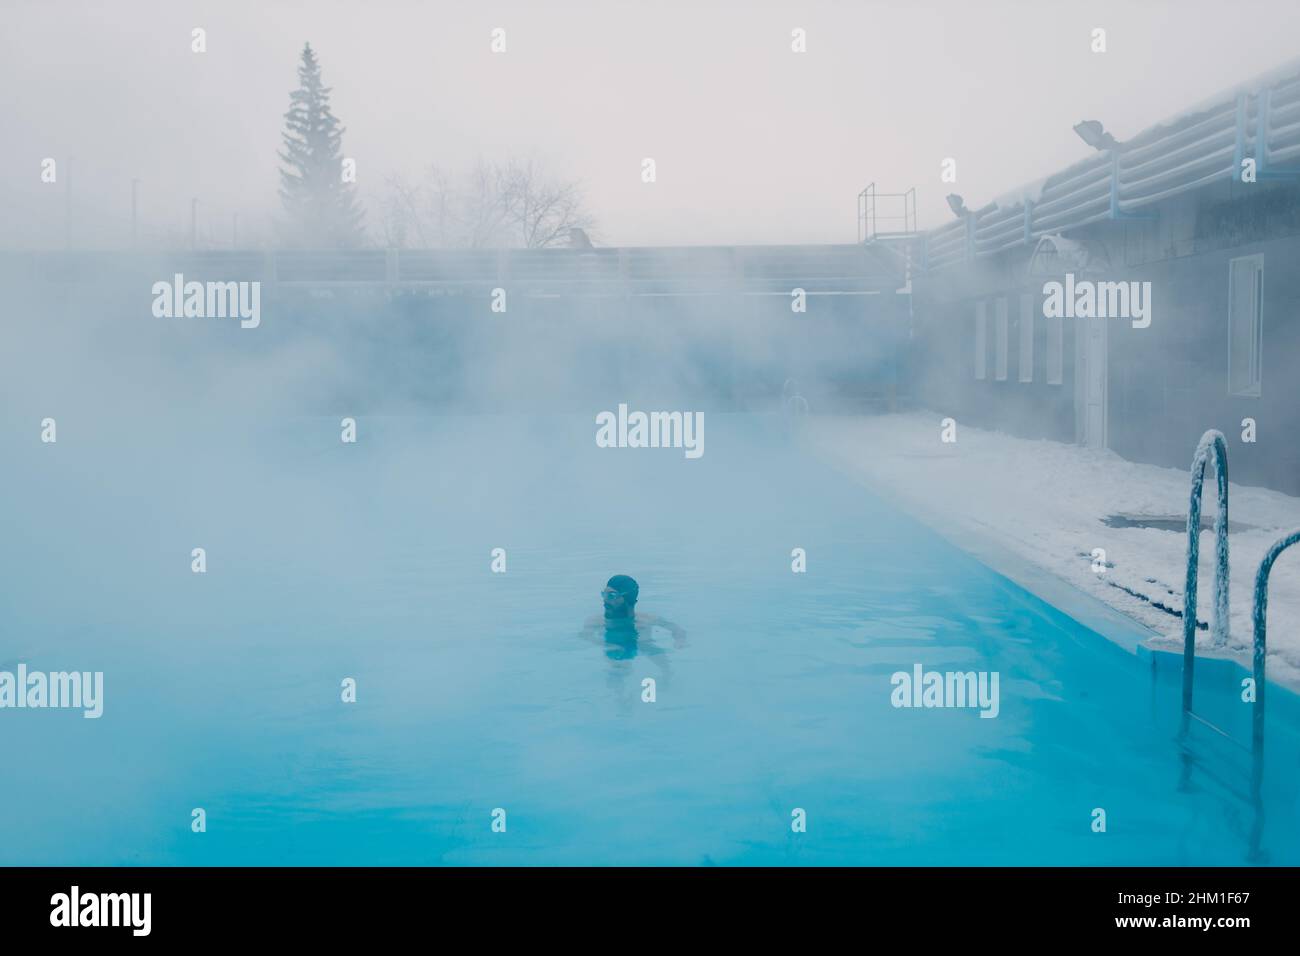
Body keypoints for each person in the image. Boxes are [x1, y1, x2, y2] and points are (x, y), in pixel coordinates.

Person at [581, 574, 686, 661]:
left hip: (643, 648)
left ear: (628, 598)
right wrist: (608, 646)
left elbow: (675, 628)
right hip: (611, 653)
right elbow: (585, 636)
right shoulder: (595, 622)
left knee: (659, 656)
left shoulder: (647, 620)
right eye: (604, 594)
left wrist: (679, 641)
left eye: (611, 595)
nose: (605, 600)